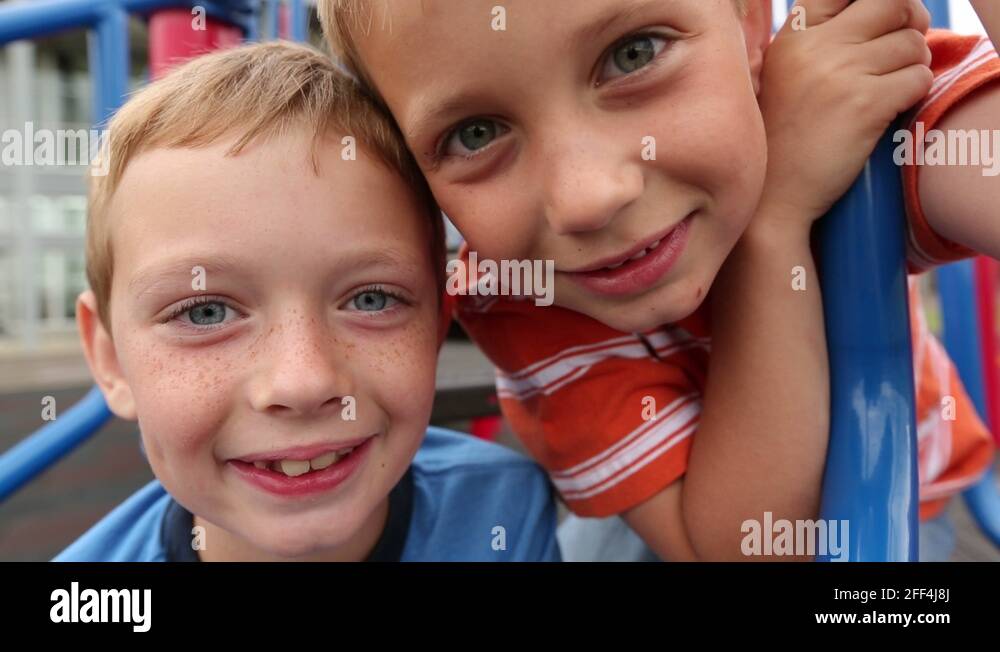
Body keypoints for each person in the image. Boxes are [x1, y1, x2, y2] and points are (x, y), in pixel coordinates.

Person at [319, 0, 998, 560]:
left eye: (634, 54)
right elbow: (738, 550)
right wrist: (775, 223)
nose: (586, 197)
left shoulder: (828, 100)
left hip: (910, 491)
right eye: (475, 134)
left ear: (750, 23)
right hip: (670, 516)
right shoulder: (519, 293)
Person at [54, 41, 560, 562]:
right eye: (205, 311)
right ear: (110, 357)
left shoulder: (504, 512)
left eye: (370, 299)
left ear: (435, 327)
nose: (304, 382)